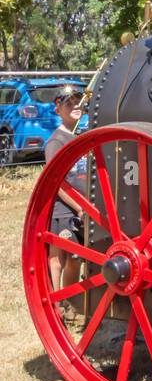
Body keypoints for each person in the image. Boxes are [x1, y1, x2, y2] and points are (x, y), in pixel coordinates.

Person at [44, 85, 87, 298]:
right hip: (65, 209)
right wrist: (79, 208)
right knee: (61, 257)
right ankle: (60, 302)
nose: (75, 106)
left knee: (77, 257)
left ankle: (71, 303)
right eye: (68, 103)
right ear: (58, 109)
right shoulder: (56, 141)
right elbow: (55, 182)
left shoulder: (80, 137)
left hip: (82, 208)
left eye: (77, 101)